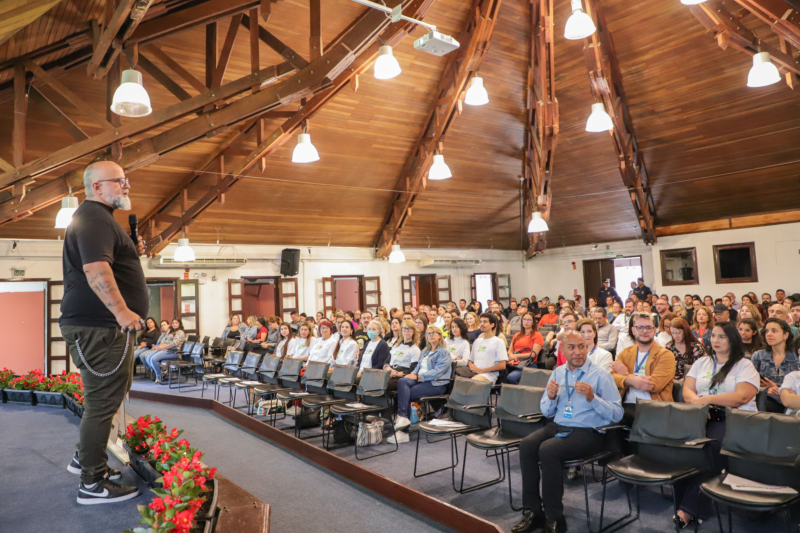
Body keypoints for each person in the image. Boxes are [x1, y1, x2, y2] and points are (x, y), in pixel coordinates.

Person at [59, 161, 149, 504]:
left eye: (126, 180)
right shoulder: (95, 218)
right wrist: (123, 312)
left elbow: (110, 263)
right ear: (97, 187)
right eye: (119, 181)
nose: (126, 186)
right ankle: (92, 484)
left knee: (109, 396)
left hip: (101, 328)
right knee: (101, 403)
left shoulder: (100, 219)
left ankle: (85, 459)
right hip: (101, 327)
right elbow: (96, 268)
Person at [513, 331, 623, 533]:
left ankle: (554, 518)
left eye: (581, 346)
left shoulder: (601, 375)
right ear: (562, 350)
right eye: (571, 347)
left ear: (587, 348)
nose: (577, 352)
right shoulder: (558, 372)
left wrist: (592, 398)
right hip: (558, 425)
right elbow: (546, 411)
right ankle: (533, 512)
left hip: (589, 432)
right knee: (527, 445)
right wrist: (551, 397)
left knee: (548, 450)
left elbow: (617, 414)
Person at [675, 322, 759, 528]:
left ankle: (688, 509)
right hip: (703, 417)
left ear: (732, 339)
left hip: (736, 421)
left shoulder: (743, 365)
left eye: (722, 336)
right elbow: (687, 390)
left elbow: (741, 396)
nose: (715, 340)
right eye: (713, 336)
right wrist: (698, 402)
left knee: (708, 450)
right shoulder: (703, 362)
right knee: (681, 446)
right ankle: (687, 502)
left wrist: (703, 399)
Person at [610, 313, 676, 426]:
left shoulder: (665, 355)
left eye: (648, 327)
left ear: (655, 331)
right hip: (626, 406)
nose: (644, 331)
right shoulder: (626, 353)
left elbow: (653, 385)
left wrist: (625, 374)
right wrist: (633, 381)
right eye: (639, 327)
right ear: (633, 330)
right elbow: (611, 378)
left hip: (653, 407)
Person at [390, 326, 452, 444]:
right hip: (420, 380)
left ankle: (403, 430)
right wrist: (412, 375)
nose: (431, 335)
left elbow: (437, 372)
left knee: (405, 394)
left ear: (440, 335)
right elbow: (418, 367)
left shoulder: (443, 352)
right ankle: (403, 420)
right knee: (402, 381)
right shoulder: (425, 351)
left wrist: (418, 377)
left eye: (434, 333)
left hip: (435, 383)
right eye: (429, 334)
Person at [751, 318, 799, 412]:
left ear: (785, 335)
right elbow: (750, 383)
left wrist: (779, 389)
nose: (769, 334)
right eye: (766, 331)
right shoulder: (759, 356)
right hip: (767, 399)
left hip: (791, 401)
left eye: (774, 331)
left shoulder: (796, 356)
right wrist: (765, 389)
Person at [458, 312, 508, 383]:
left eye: (485, 322)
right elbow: (470, 360)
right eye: (480, 321)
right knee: (458, 382)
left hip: (488, 375)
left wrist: (482, 370)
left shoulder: (498, 342)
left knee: (470, 384)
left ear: (492, 325)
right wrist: (471, 366)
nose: (482, 324)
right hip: (474, 372)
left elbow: (502, 365)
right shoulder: (477, 341)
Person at [506, 312, 545, 383]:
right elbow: (510, 351)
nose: (526, 321)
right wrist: (511, 358)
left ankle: (519, 393)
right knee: (500, 372)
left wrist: (515, 356)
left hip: (528, 363)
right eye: (524, 319)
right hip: (514, 362)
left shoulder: (537, 335)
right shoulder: (517, 335)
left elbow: (533, 354)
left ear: (533, 322)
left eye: (529, 320)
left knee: (511, 377)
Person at [384, 319, 421, 390]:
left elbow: (413, 369)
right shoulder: (396, 346)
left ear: (414, 331)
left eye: (409, 329)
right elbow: (386, 362)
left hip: (401, 376)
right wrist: (390, 370)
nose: (406, 331)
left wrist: (396, 374)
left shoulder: (415, 349)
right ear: (401, 330)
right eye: (404, 328)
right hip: (390, 373)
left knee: (383, 385)